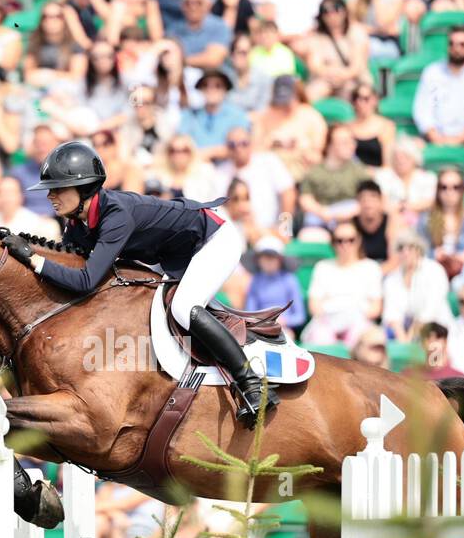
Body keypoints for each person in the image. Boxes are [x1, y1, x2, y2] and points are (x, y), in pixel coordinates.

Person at [14, 141, 276, 422]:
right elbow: (69, 270)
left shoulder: (115, 216)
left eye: (58, 189)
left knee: (183, 308)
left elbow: (87, 280)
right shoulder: (76, 223)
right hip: (175, 253)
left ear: (84, 187)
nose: (51, 196)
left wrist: (34, 260)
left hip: (213, 239)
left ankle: (251, 384)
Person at [300, 222, 383, 346]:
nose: (345, 245)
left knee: (362, 339)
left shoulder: (371, 267)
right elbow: (314, 306)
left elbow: (376, 308)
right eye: (340, 240)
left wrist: (354, 315)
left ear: (358, 240)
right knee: (321, 340)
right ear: (333, 243)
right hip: (326, 321)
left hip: (359, 322)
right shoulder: (323, 267)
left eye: (350, 240)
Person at [412, 26, 464, 145]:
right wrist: (436, 137)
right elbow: (422, 109)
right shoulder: (432, 72)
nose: (456, 48)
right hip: (435, 137)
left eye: (462, 44)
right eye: (452, 44)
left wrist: (459, 139)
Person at [381, 233, 452, 342]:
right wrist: (403, 340)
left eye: (410, 247)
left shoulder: (434, 270)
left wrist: (410, 336)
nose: (405, 252)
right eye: (401, 248)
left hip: (438, 330)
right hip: (407, 334)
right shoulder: (392, 279)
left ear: (419, 250)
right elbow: (391, 313)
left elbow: (431, 310)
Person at [418, 167, 464, 276]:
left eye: (455, 187)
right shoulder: (426, 219)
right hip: (432, 272)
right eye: (444, 187)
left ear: (462, 191)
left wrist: (454, 258)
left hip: (463, 273)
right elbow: (419, 250)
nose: (449, 192)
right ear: (437, 190)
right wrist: (434, 254)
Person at [244, 237, 305, 334]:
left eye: (272, 257)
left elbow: (299, 316)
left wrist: (284, 321)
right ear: (258, 260)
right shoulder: (255, 281)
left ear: (280, 259)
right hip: (259, 329)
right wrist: (261, 323)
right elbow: (249, 313)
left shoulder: (289, 280)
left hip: (283, 330)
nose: (268, 261)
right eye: (264, 257)